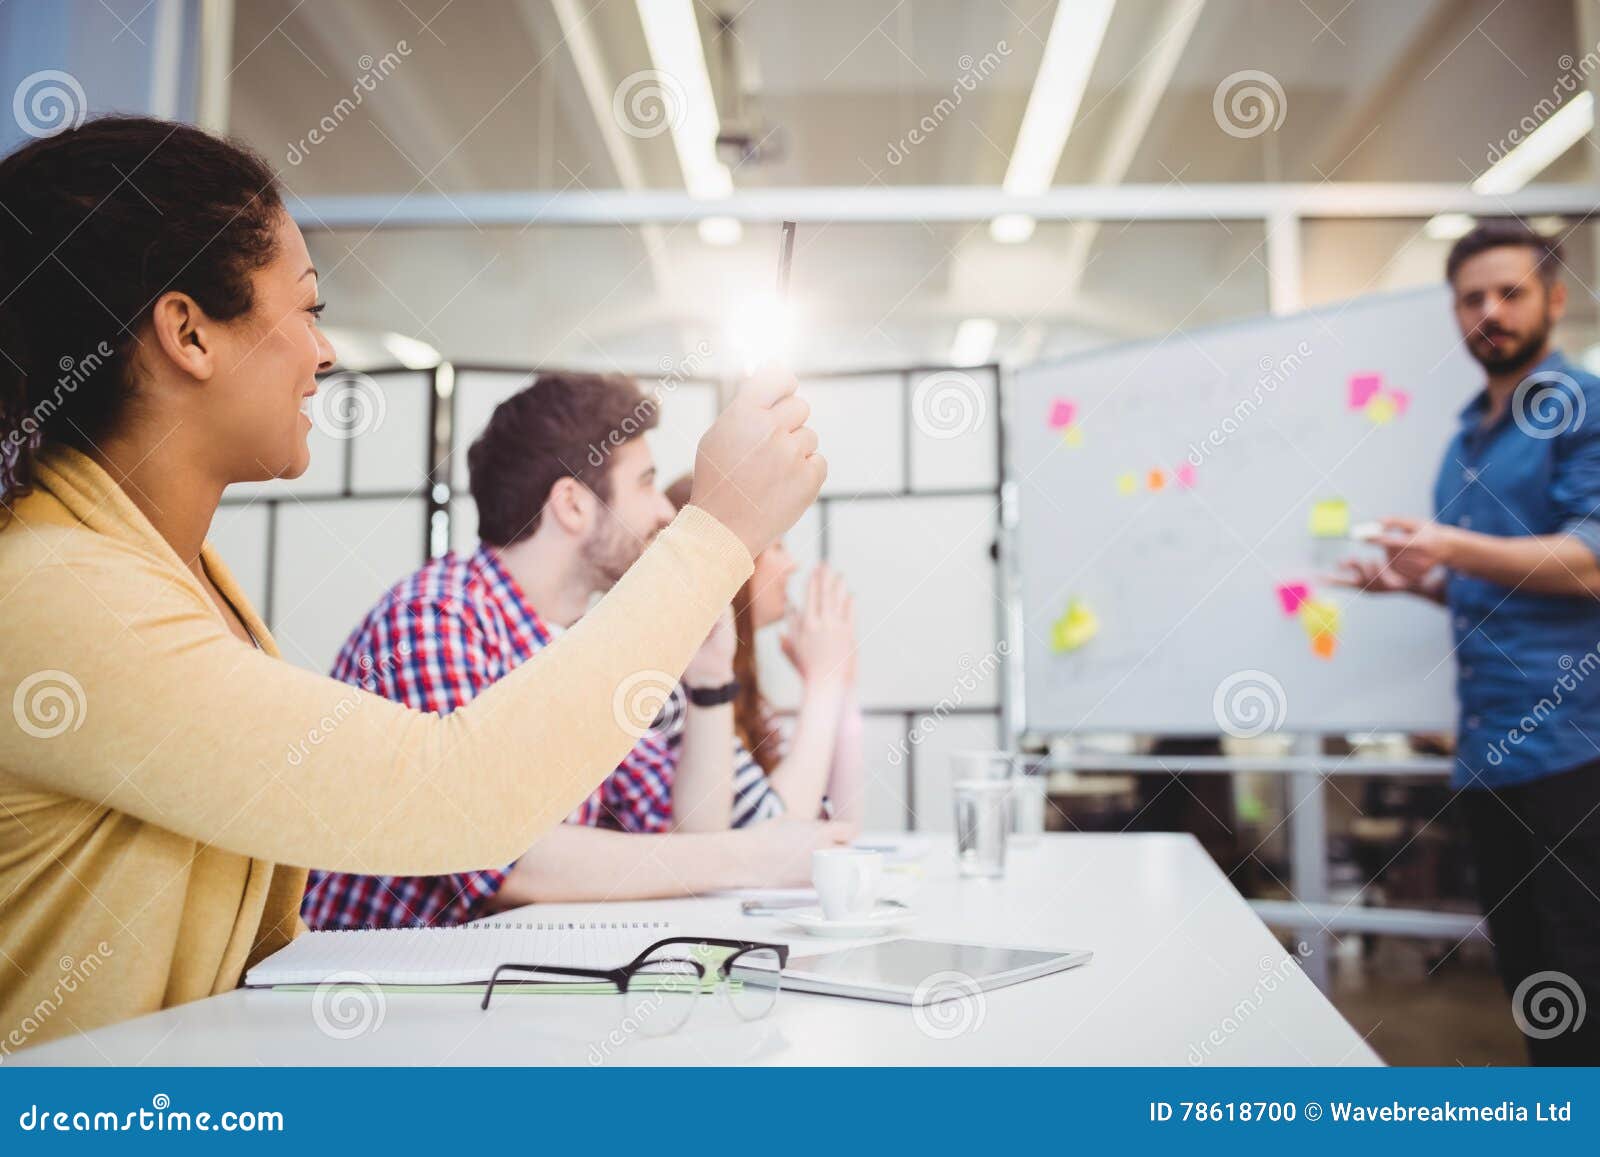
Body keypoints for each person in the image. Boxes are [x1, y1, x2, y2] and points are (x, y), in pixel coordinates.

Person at [0, 116, 824, 1046]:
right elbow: (462, 798)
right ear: (189, 332)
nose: (326, 352)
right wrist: (719, 530)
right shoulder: (64, 595)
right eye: (307, 308)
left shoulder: (155, 573)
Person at [302, 373, 853, 926]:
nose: (664, 513)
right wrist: (754, 859)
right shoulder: (436, 616)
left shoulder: (586, 641)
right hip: (379, 982)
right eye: (644, 484)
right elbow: (501, 859)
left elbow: (682, 839)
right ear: (572, 505)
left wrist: (710, 680)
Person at [1333, 220, 1600, 1065]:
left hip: (1573, 751)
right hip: (1487, 753)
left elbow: (1592, 563)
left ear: (1554, 299)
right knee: (1528, 976)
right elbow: (1512, 580)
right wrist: (1427, 581)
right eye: (1472, 297)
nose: (1491, 310)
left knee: (1583, 978)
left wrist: (1450, 547)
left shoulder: (1582, 407)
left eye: (1510, 291)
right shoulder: (1462, 442)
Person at [664, 475, 864, 826]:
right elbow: (772, 831)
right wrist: (824, 682)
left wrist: (840, 680)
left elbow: (835, 823)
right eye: (776, 547)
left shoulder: (743, 686)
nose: (792, 565)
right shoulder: (678, 686)